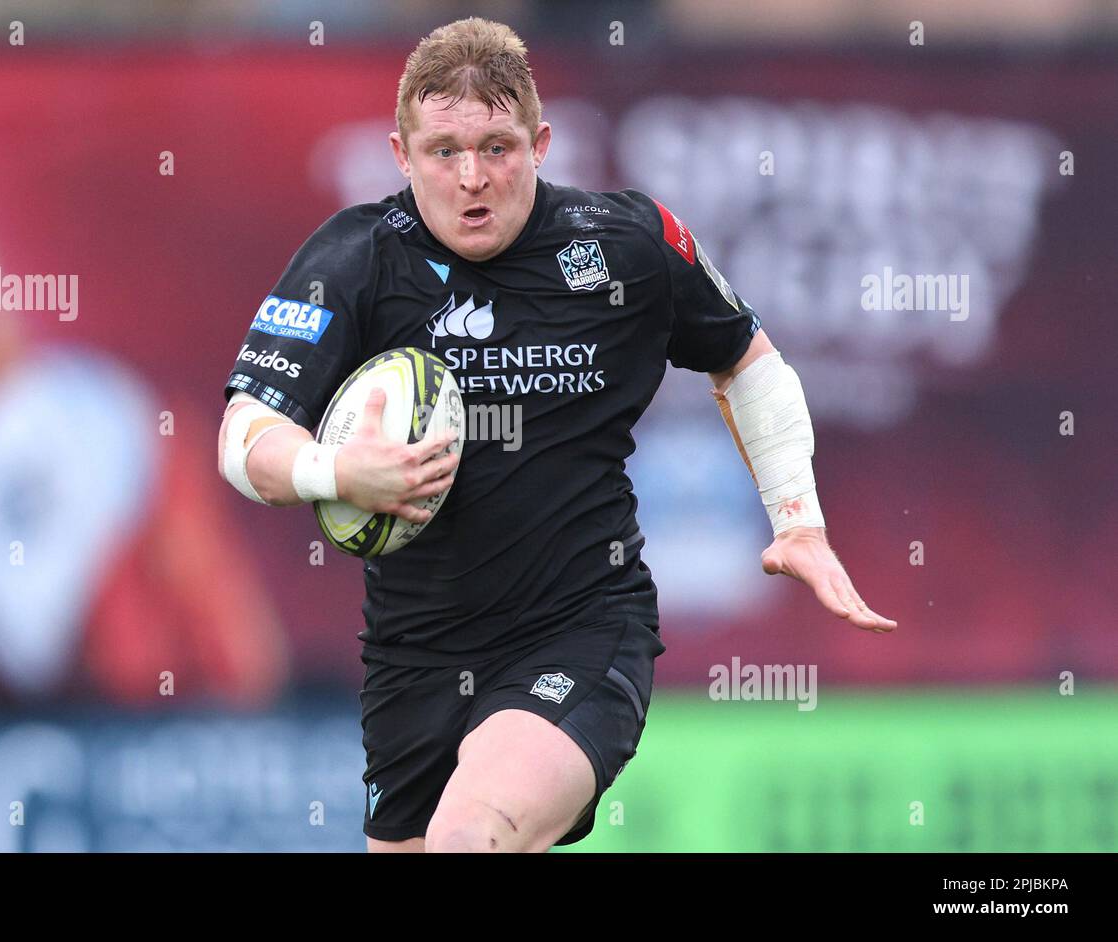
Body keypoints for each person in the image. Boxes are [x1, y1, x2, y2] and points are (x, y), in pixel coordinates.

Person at [218, 17, 897, 853]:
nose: (473, 177)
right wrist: (336, 470)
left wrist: (797, 518)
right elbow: (244, 434)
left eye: (498, 147)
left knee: (471, 838)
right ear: (401, 154)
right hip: (413, 657)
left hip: (580, 630)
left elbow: (747, 362)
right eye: (443, 151)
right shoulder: (355, 260)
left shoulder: (626, 247)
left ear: (542, 143)